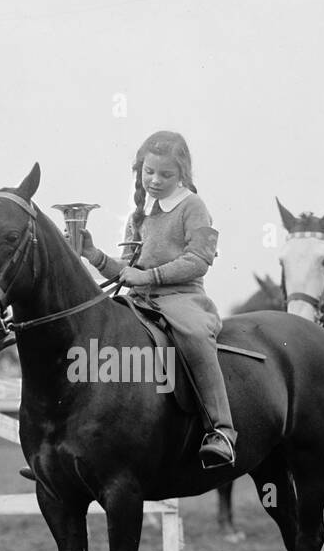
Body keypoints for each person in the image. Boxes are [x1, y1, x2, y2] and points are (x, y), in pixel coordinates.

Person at [79, 130, 237, 468]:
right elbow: (126, 269)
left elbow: (199, 259)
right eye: (148, 172)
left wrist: (147, 277)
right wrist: (93, 254)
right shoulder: (138, 212)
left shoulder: (192, 206)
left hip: (183, 298)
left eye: (165, 174)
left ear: (182, 174)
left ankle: (221, 431)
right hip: (140, 298)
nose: (154, 180)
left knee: (194, 336)